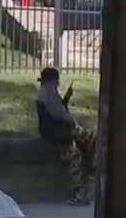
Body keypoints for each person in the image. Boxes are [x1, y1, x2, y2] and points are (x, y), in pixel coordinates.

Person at [35, 67, 94, 205]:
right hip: (57, 135)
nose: (58, 84)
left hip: (57, 133)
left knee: (79, 151)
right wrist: (74, 125)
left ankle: (81, 191)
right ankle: (80, 191)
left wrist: (66, 98)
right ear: (53, 81)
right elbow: (62, 116)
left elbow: (59, 111)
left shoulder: (47, 93)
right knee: (83, 147)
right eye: (57, 81)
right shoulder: (49, 94)